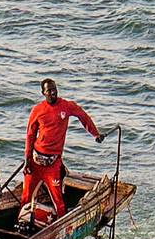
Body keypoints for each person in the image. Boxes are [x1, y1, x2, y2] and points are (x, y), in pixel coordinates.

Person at [21, 78, 104, 223]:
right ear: (43, 93)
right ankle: (21, 222)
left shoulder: (66, 106)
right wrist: (27, 161)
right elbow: (30, 135)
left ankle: (62, 227)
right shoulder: (37, 110)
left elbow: (82, 116)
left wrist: (95, 134)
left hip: (53, 163)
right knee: (26, 197)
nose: (53, 93)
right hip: (35, 162)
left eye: (54, 89)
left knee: (58, 200)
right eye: (49, 90)